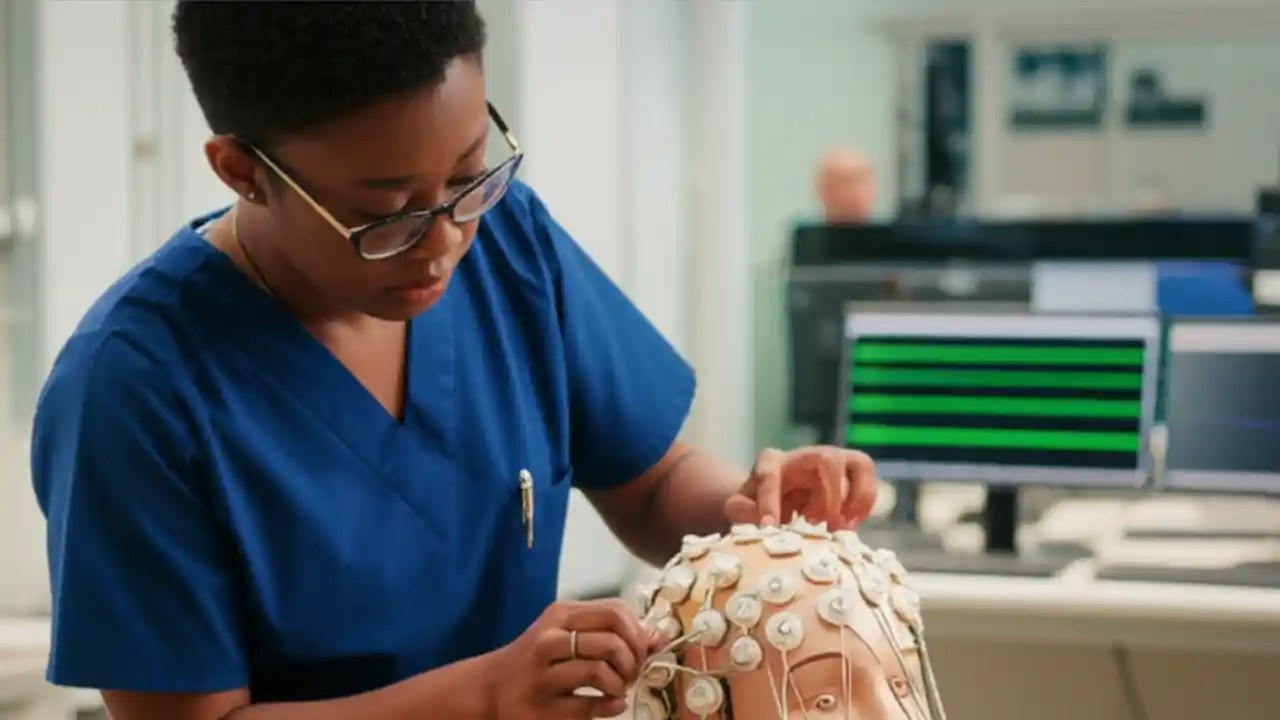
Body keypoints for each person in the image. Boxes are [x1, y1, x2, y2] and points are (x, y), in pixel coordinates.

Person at [29, 4, 878, 720]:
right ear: (243, 172)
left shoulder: (510, 244)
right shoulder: (135, 390)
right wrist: (486, 696)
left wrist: (756, 522)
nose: (447, 242)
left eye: (473, 173)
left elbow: (652, 483)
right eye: (387, 214)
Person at [814, 146, 877, 223]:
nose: (851, 193)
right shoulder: (807, 234)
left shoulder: (891, 234)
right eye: (841, 183)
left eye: (858, 181)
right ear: (822, 190)